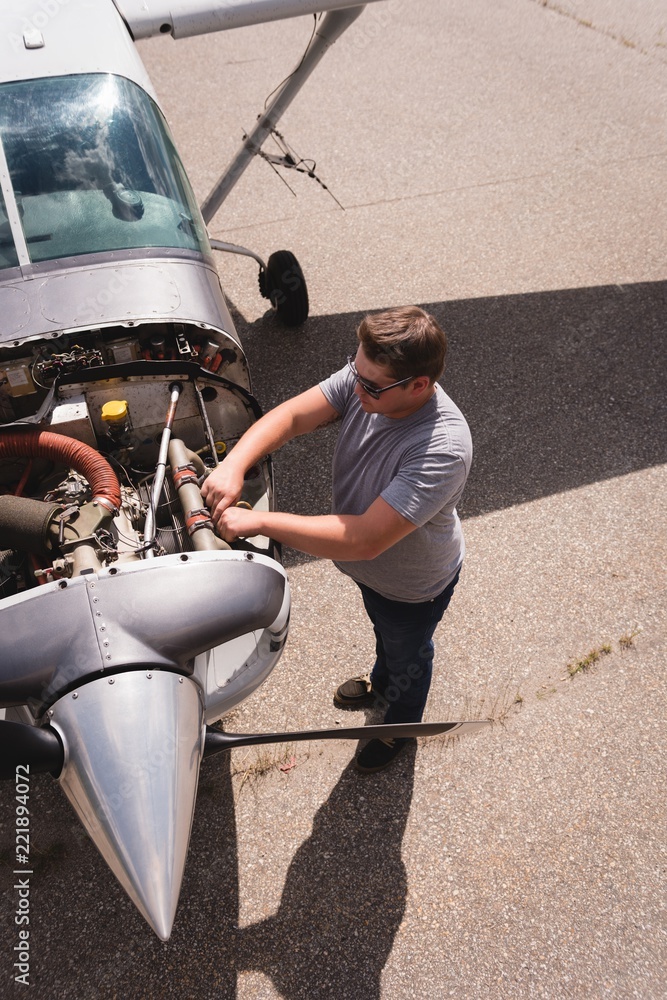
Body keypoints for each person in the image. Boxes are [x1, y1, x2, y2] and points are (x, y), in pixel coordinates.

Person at [201, 306, 472, 773]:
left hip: (412, 586)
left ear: (419, 386)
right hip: (373, 574)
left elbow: (364, 539)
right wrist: (233, 465)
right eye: (356, 370)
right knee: (385, 637)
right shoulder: (370, 379)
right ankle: (382, 683)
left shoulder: (441, 448)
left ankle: (398, 729)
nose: (355, 386)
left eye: (370, 385)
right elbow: (289, 418)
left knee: (410, 651)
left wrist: (261, 522)